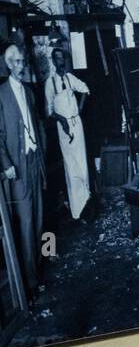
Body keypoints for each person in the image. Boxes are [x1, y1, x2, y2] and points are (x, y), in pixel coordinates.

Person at [0, 44, 46, 303]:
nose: (22, 66)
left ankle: (37, 269)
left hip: (35, 161)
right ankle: (30, 281)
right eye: (17, 62)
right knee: (26, 222)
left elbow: (37, 124)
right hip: (17, 167)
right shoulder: (1, 94)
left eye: (23, 61)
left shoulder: (29, 91)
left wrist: (42, 152)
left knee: (38, 220)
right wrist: (6, 163)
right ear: (9, 64)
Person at [44, 48, 92, 222]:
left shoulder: (70, 78)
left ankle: (87, 206)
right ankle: (77, 211)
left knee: (83, 165)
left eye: (62, 58)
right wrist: (62, 120)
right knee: (71, 168)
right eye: (57, 59)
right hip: (63, 129)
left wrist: (80, 108)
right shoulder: (50, 83)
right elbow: (48, 111)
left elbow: (85, 89)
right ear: (53, 61)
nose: (61, 62)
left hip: (76, 123)